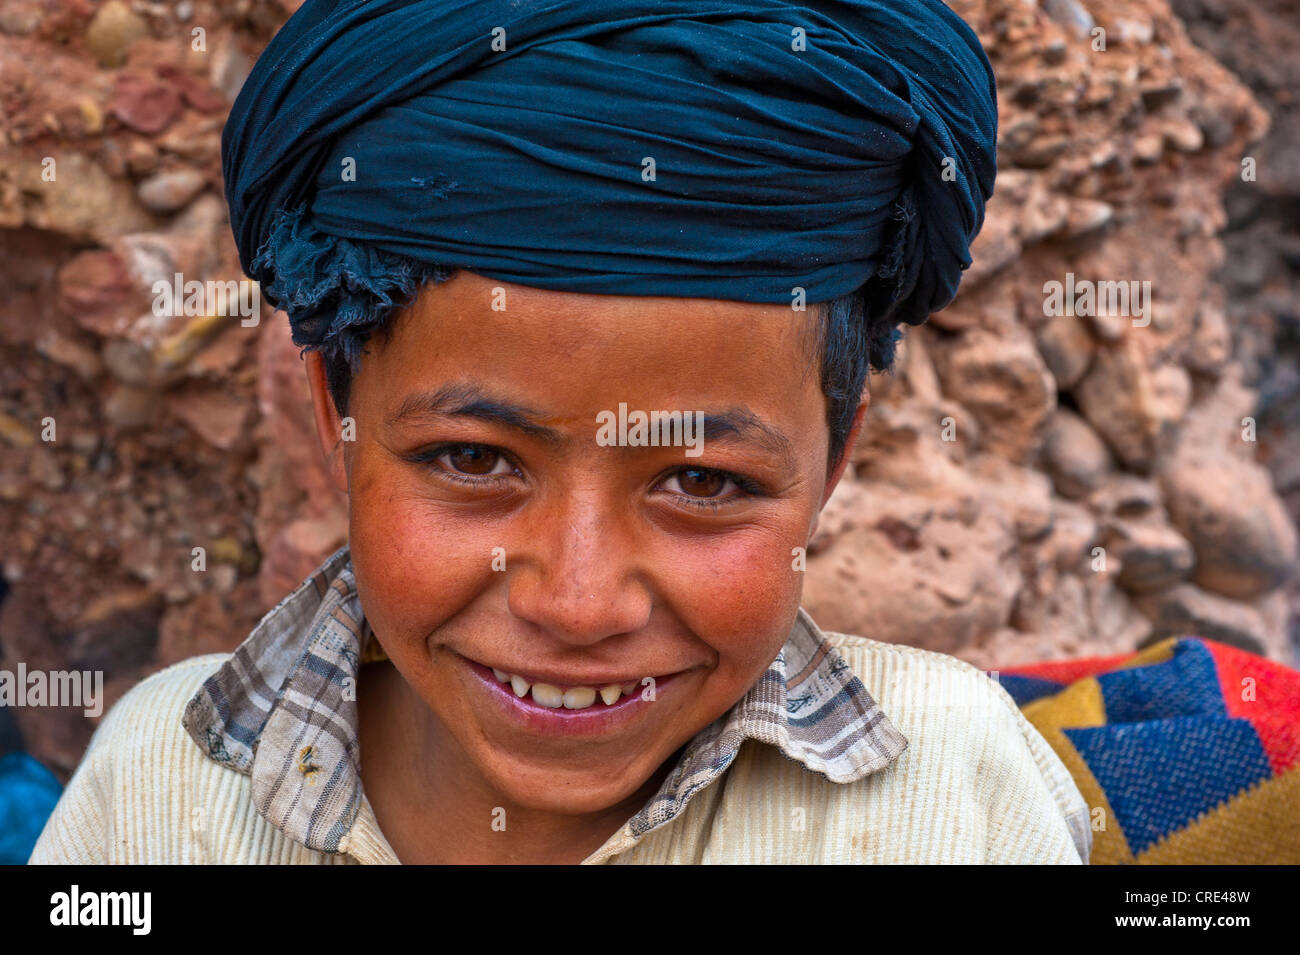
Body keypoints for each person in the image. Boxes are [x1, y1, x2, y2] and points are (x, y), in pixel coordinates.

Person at [30, 0, 1091, 864]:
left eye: (701, 480)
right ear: (336, 420)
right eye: (475, 460)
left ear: (833, 458)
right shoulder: (161, 792)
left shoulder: (952, 795)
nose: (578, 604)